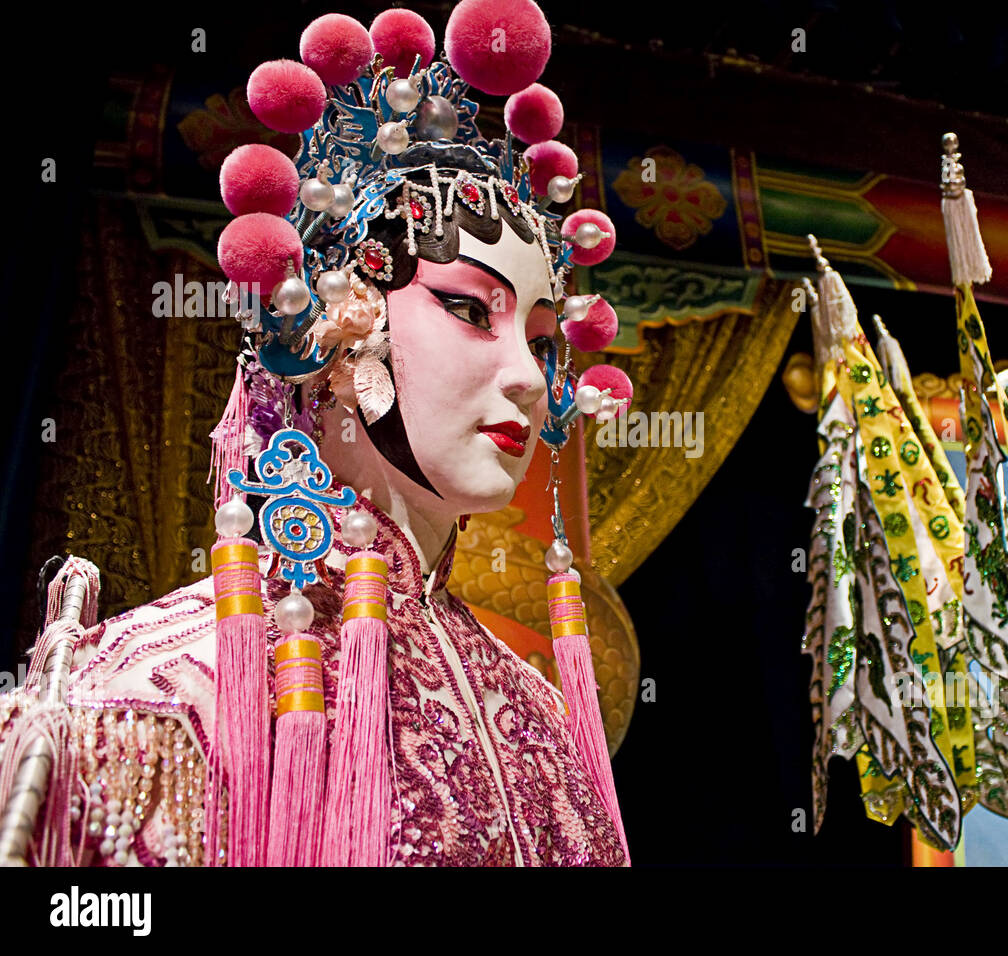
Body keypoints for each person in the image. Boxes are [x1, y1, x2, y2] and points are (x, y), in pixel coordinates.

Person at [0, 2, 631, 867]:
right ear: (338, 328)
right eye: (470, 309)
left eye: (544, 337)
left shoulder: (533, 706)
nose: (529, 373)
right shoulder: (155, 706)